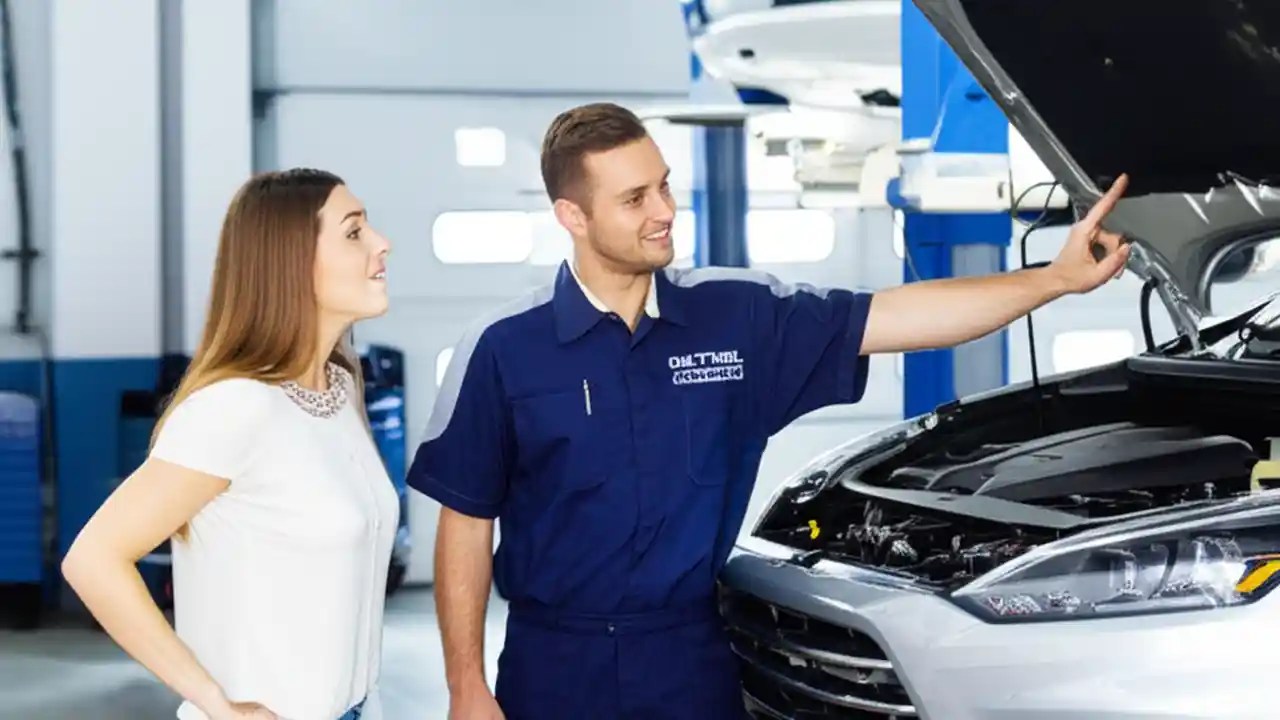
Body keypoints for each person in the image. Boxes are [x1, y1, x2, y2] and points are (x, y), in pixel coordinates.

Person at [409, 103, 1130, 720]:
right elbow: (466, 522)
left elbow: (901, 315)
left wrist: (1055, 280)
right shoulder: (506, 350)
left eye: (664, 186)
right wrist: (466, 683)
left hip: (687, 657)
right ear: (572, 215)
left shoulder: (734, 318)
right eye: (635, 199)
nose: (664, 212)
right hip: (552, 662)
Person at [61, 168, 399, 720]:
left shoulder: (339, 388)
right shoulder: (233, 408)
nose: (382, 243)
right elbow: (94, 559)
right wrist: (214, 702)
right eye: (354, 232)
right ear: (289, 262)